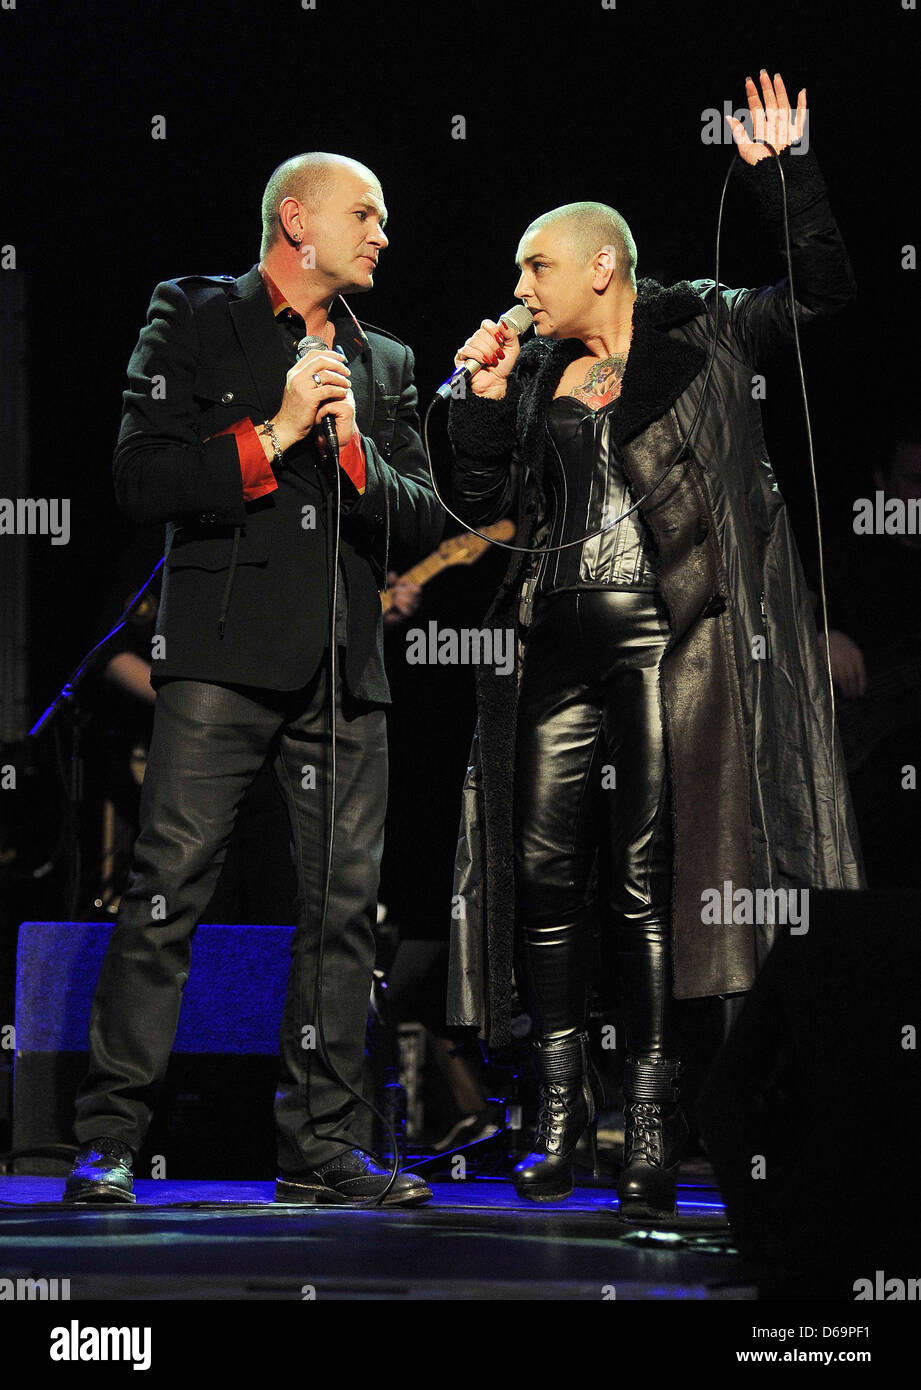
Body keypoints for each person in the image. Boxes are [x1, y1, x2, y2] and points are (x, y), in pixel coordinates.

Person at [446, 74, 864, 1217]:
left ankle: (647, 1123)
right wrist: (480, 402)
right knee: (538, 878)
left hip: (664, 645)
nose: (519, 284)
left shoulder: (708, 328)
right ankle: (559, 1119)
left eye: (536, 265)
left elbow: (823, 296)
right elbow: (476, 505)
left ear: (600, 267)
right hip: (555, 644)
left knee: (643, 889)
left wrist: (788, 177)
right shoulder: (533, 374)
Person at [63, 152, 444, 1206]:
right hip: (224, 661)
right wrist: (273, 433)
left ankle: (321, 1149)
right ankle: (108, 1138)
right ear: (297, 220)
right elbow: (140, 475)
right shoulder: (191, 315)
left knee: (340, 913)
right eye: (364, 213)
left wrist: (360, 454)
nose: (382, 233)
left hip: (344, 673)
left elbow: (426, 516)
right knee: (164, 894)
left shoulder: (389, 358)